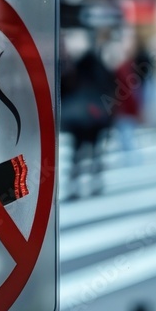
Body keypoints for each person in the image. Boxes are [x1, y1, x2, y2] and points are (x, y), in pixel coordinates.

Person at [61, 41, 116, 198]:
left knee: (76, 155)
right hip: (96, 119)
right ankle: (96, 183)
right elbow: (111, 94)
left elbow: (64, 92)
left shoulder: (76, 72)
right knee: (95, 154)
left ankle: (74, 186)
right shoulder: (102, 72)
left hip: (78, 121)